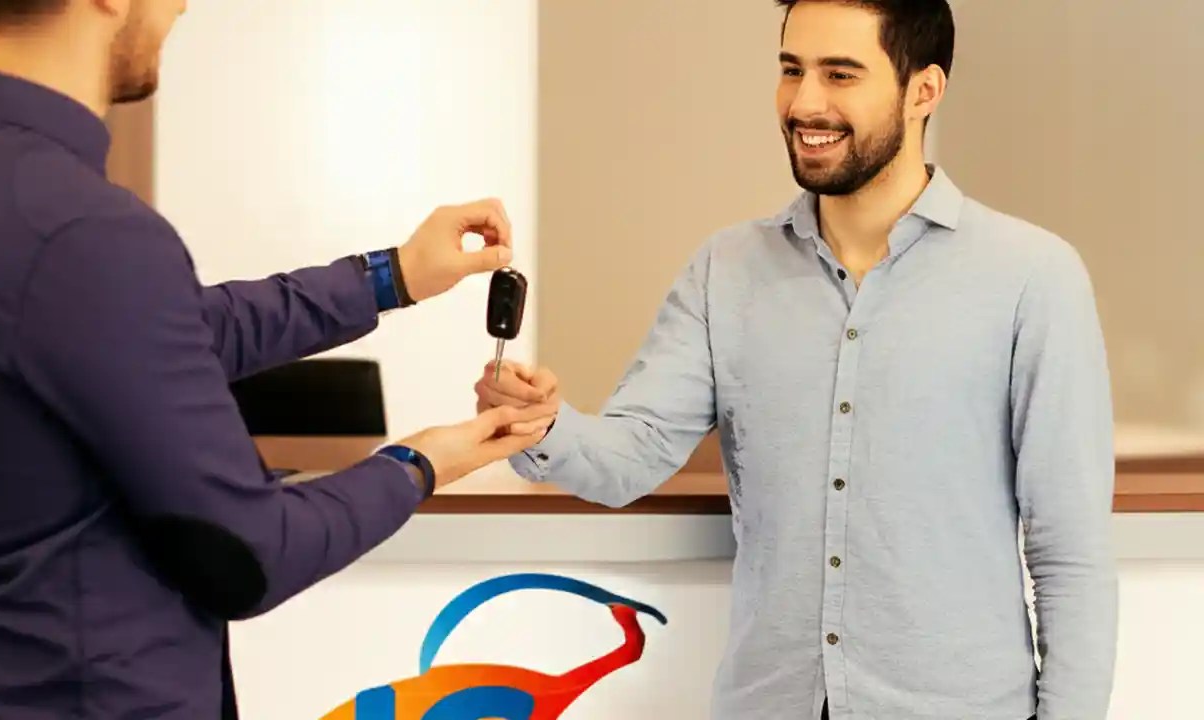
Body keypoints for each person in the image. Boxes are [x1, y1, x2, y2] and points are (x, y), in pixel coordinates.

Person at [476, 1, 1117, 718]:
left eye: (841, 74)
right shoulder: (726, 270)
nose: (805, 103)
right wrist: (543, 425)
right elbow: (634, 454)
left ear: (924, 90)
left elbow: (1071, 555)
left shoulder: (1033, 277)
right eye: (792, 70)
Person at [0, 0, 554, 718]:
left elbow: (161, 331)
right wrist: (421, 462)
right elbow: (251, 555)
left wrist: (393, 275)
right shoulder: (84, 231)